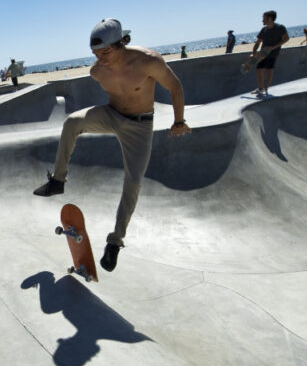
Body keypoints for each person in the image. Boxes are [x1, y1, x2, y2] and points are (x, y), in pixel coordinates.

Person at [33, 18, 190, 272]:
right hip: (111, 115)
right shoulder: (97, 72)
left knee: (134, 181)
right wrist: (102, 62)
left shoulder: (148, 61)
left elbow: (175, 86)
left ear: (121, 43)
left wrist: (179, 120)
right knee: (72, 122)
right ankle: (58, 181)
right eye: (96, 53)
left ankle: (115, 242)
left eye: (105, 52)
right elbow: (107, 80)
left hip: (140, 126)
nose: (101, 58)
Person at [248, 10, 290, 98]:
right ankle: (260, 89)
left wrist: (273, 47)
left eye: (264, 18)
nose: (262, 20)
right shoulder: (264, 29)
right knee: (259, 69)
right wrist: (253, 53)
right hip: (262, 54)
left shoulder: (280, 27)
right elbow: (258, 42)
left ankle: (266, 88)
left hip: (273, 53)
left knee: (268, 69)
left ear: (270, 18)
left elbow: (286, 39)